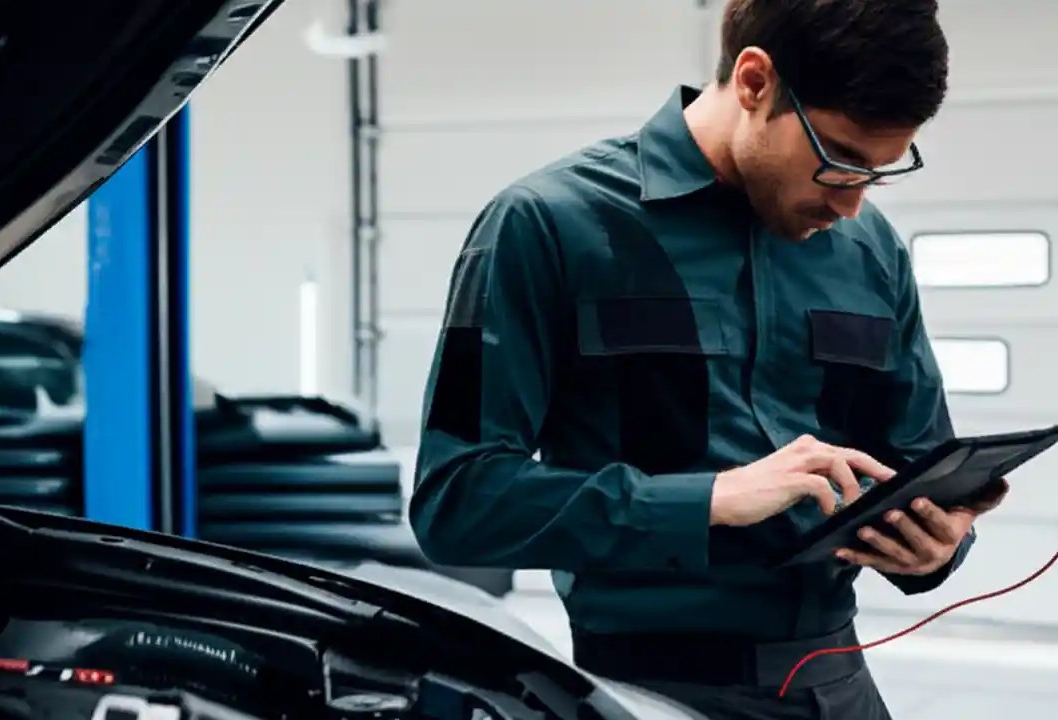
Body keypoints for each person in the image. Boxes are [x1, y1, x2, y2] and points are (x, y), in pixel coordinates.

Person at [408, 0, 1008, 717]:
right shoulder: (547, 225)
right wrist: (710, 500)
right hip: (649, 691)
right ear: (754, 83)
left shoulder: (869, 250)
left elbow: (916, 461)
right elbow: (458, 500)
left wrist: (937, 545)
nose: (852, 206)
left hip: (839, 685)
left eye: (877, 174)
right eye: (840, 163)